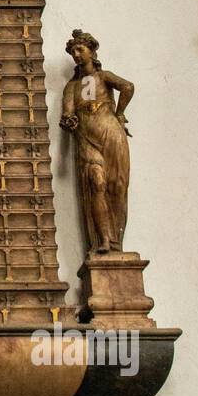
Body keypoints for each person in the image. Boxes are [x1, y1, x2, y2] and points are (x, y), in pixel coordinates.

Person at [60, 29, 133, 253]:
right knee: (97, 183)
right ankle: (102, 239)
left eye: (80, 50)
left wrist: (119, 114)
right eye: (73, 52)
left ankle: (116, 241)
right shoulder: (72, 87)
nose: (76, 55)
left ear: (91, 52)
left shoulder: (103, 77)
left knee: (117, 186)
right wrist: (69, 121)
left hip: (110, 133)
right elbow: (67, 113)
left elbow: (128, 87)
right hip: (86, 137)